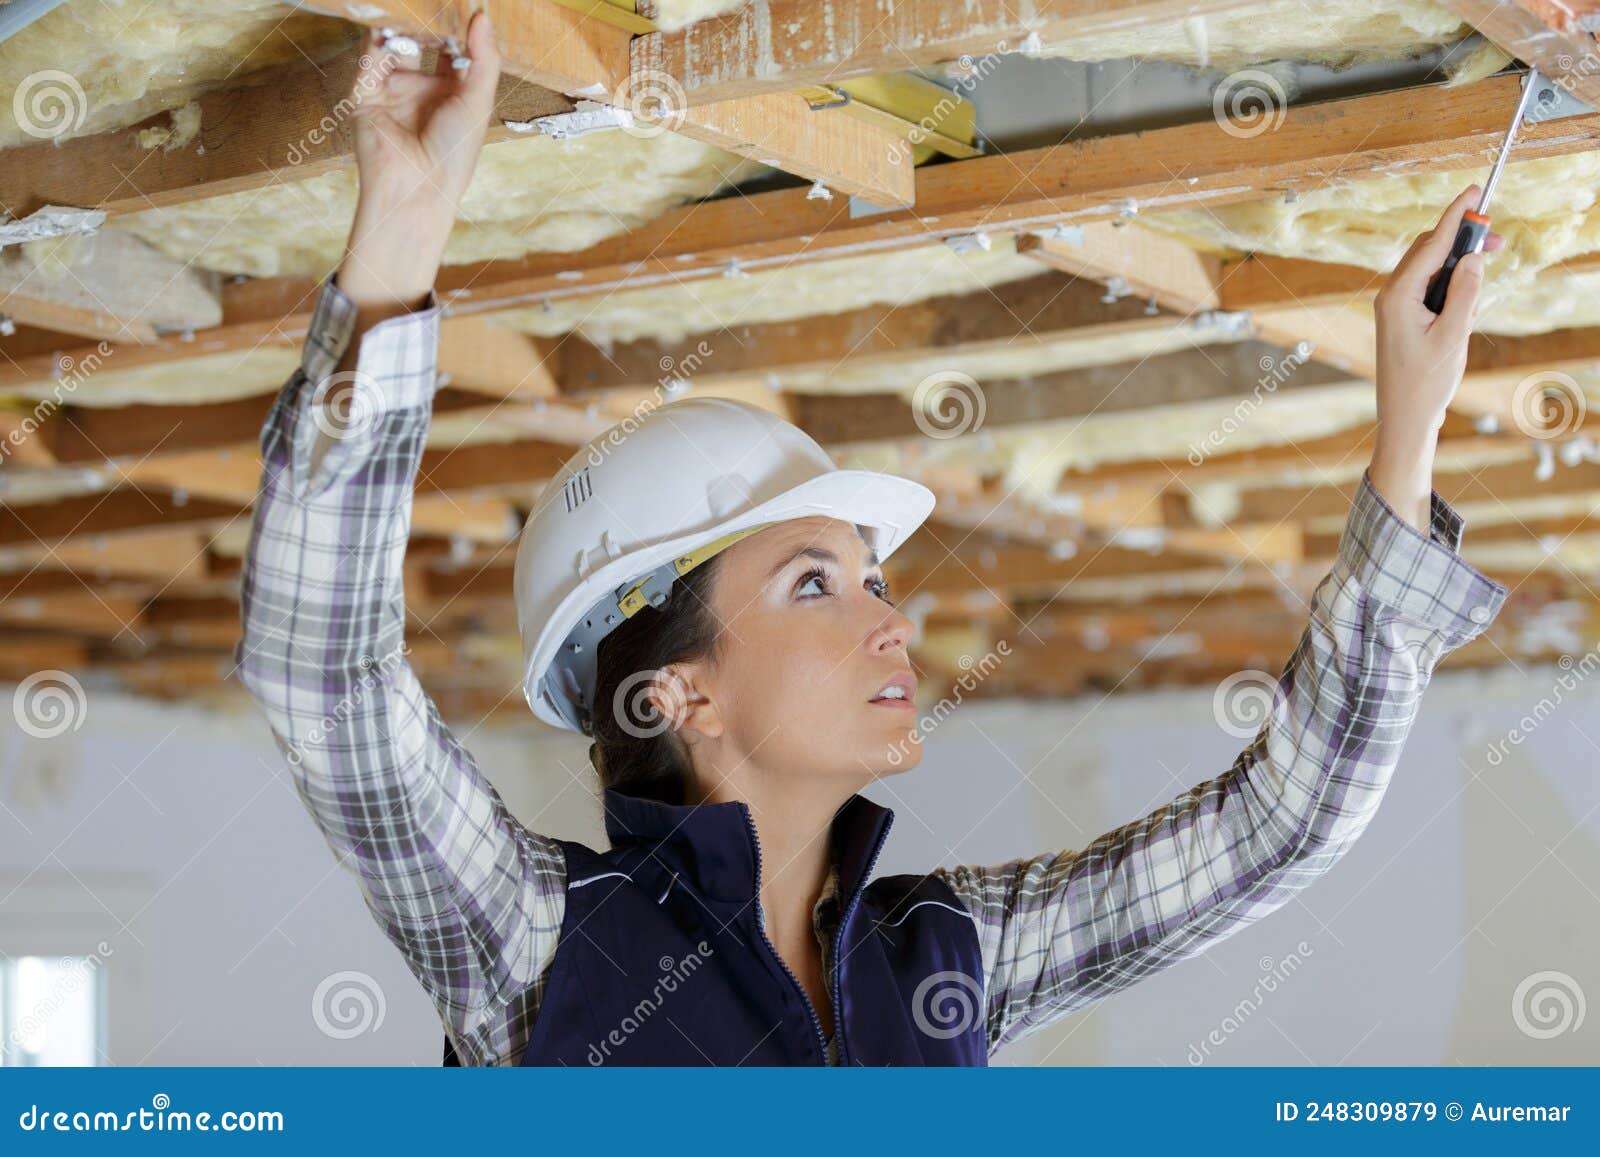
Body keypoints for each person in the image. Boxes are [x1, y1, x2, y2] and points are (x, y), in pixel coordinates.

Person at [237, 12, 1509, 1066]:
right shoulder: (541, 947)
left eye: (865, 577)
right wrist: (402, 229)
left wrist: (1409, 428)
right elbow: (323, 676)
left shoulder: (945, 958)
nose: (892, 617)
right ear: (677, 690)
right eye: (818, 580)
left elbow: (1274, 829)